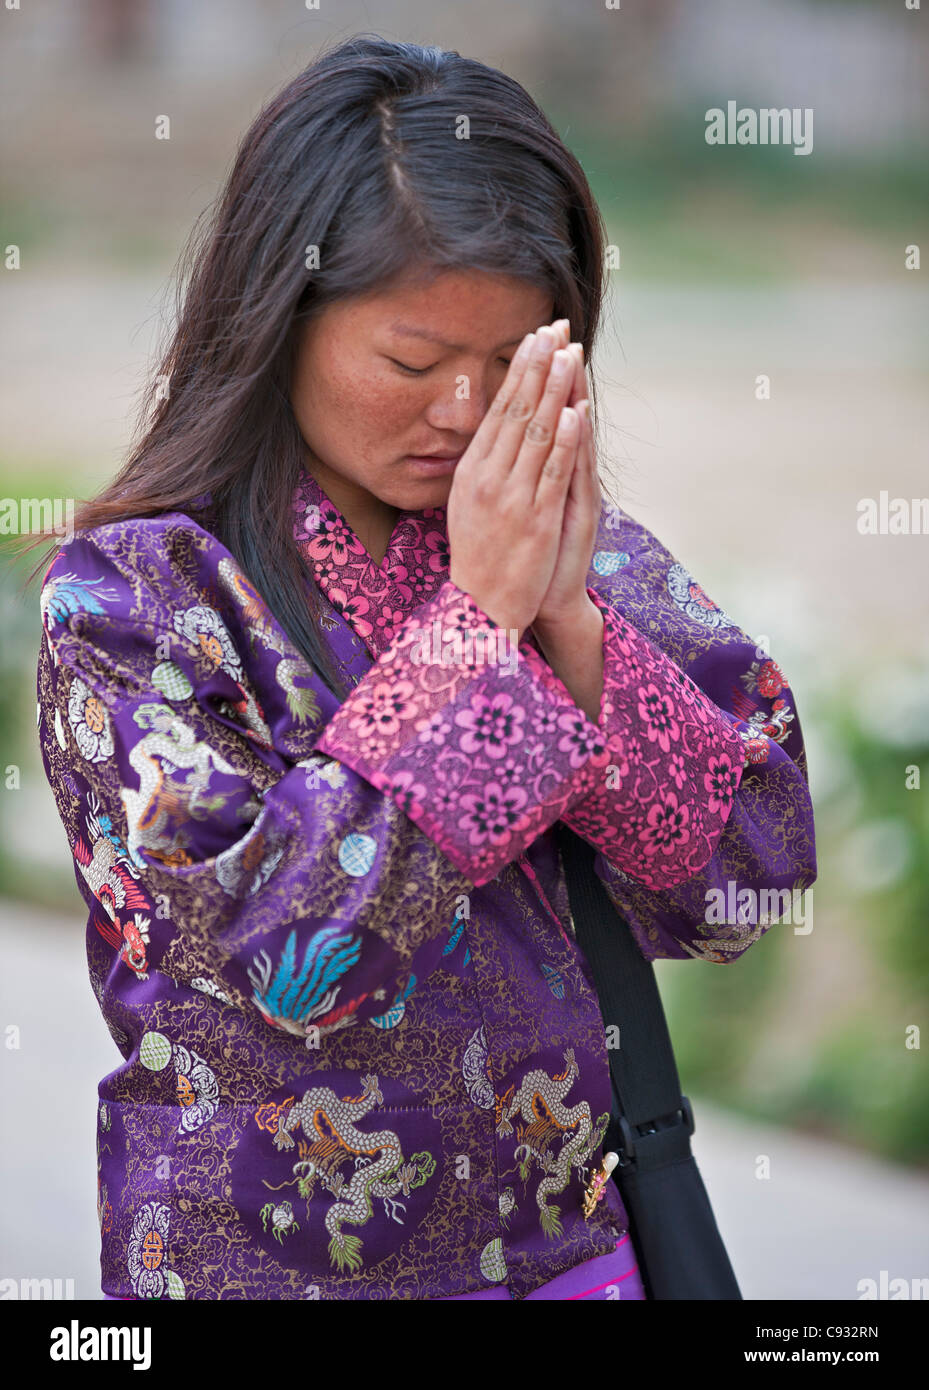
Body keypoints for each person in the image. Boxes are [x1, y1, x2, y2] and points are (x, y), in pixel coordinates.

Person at [29, 35, 816, 1301]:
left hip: (572, 1262)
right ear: (277, 320)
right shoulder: (137, 601)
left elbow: (747, 888)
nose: (460, 409)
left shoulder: (583, 566)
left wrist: (569, 630)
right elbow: (293, 964)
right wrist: (482, 626)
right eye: (410, 360)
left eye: (511, 364)